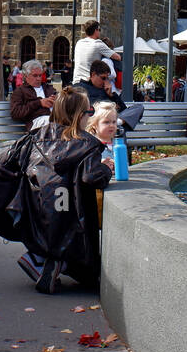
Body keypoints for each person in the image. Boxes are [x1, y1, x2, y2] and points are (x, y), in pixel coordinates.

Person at [10, 87, 113, 293]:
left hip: (36, 209)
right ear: (80, 116)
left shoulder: (36, 137)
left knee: (58, 226)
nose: (89, 117)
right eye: (89, 112)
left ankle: (40, 258)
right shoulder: (86, 144)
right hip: (72, 221)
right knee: (91, 278)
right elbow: (91, 177)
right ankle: (57, 262)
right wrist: (106, 168)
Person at [9, 59, 56, 130]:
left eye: (40, 75)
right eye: (35, 76)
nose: (38, 79)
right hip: (36, 123)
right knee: (52, 122)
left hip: (54, 119)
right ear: (25, 76)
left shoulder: (48, 88)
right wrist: (39, 103)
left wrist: (58, 101)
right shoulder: (20, 91)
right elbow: (16, 113)